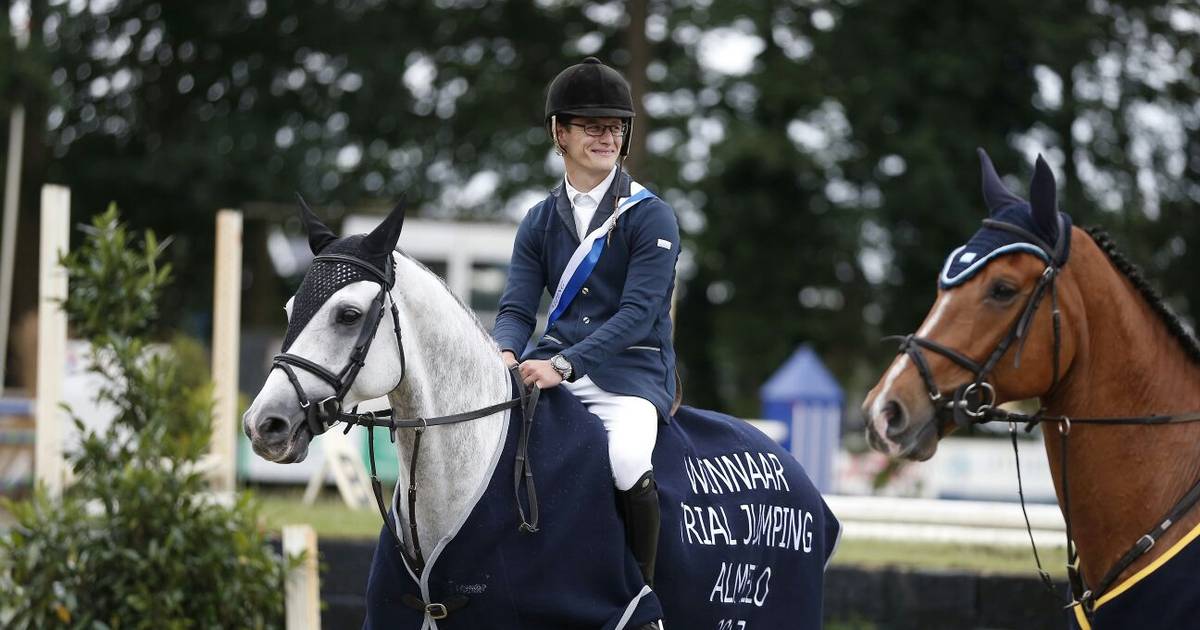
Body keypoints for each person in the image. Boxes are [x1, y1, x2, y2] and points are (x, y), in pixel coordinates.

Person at [491, 57, 681, 606]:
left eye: (616, 126)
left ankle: (640, 597)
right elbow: (517, 308)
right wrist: (505, 352)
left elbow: (640, 314)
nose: (608, 136)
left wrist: (564, 366)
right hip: (548, 366)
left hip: (631, 372)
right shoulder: (539, 219)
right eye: (593, 125)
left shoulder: (651, 216)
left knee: (625, 460)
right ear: (559, 132)